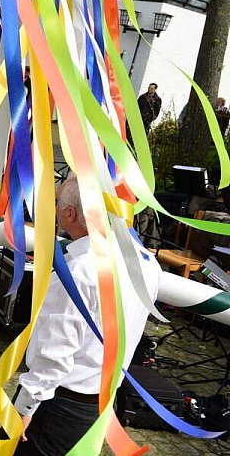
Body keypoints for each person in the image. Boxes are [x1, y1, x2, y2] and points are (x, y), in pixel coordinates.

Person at [13, 175, 161, 456]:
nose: (54, 208)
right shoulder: (147, 262)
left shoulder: (79, 272)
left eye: (57, 202)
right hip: (100, 399)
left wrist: (25, 407)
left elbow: (55, 352)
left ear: (69, 214)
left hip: (60, 404)